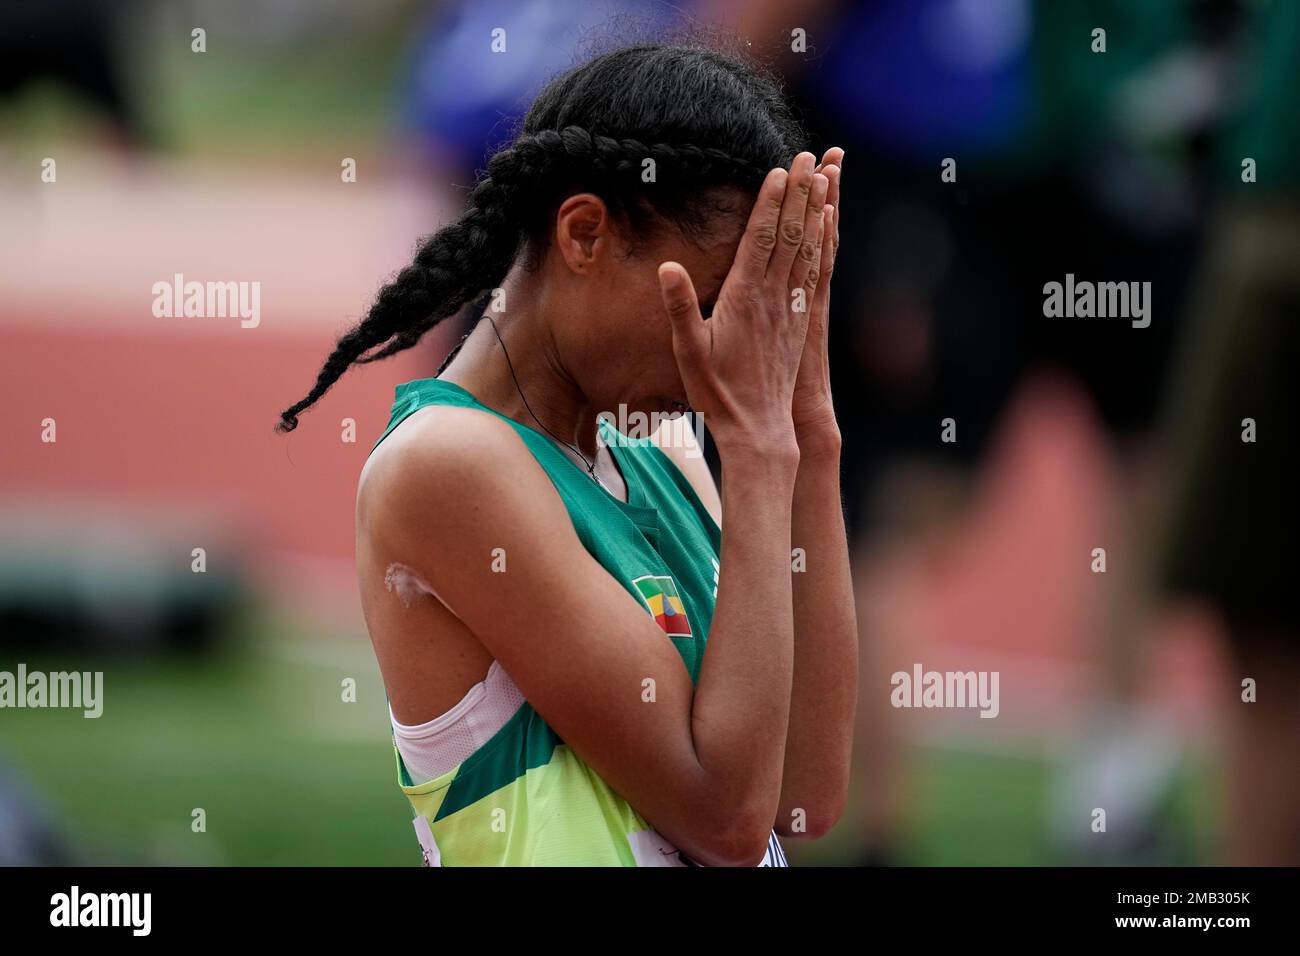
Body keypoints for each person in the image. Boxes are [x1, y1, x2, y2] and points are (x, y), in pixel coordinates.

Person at [277, 42, 857, 866]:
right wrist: (762, 454)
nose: (732, 349)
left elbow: (802, 802)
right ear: (584, 233)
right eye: (718, 302)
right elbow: (726, 820)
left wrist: (808, 427)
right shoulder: (449, 464)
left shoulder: (664, 453)